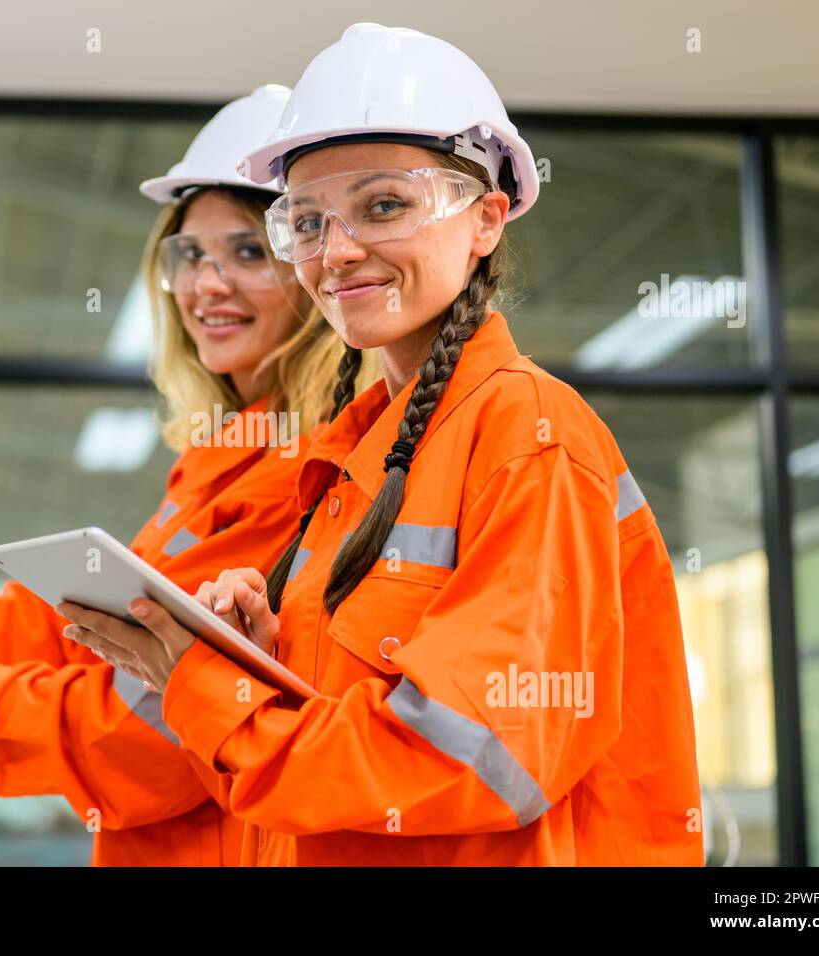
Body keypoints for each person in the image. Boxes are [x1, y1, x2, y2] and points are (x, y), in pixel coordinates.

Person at [56, 23, 704, 866]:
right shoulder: (350, 462)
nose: (338, 251)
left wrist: (207, 691)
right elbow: (345, 721)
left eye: (384, 205)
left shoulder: (530, 435)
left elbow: (472, 757)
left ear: (485, 220)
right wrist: (259, 653)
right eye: (310, 221)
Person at [0, 85, 376, 866]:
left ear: (312, 267)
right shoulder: (222, 458)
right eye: (189, 254)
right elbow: (66, 636)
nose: (207, 285)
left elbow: (141, 737)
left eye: (250, 252)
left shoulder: (301, 470)